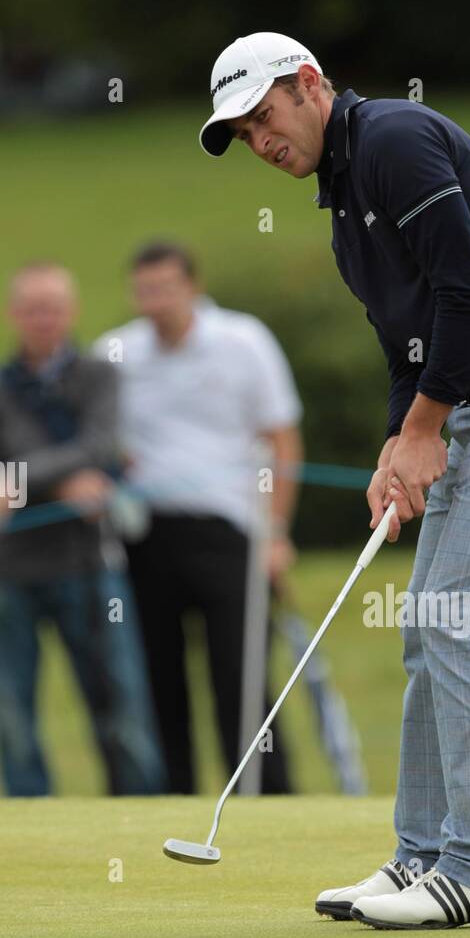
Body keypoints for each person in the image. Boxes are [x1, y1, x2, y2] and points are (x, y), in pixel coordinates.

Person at [198, 33, 470, 928]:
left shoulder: (392, 138)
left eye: (264, 118)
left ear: (310, 85)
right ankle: (424, 856)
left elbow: (468, 289)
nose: (261, 143)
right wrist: (400, 442)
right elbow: (410, 343)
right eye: (242, 136)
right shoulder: (346, 205)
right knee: (429, 628)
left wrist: (430, 428)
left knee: (462, 625)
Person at [95, 242, 303, 795]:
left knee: (241, 675)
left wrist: (276, 533)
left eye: (165, 288)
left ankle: (267, 796)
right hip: (143, 535)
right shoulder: (116, 352)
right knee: (158, 677)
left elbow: (282, 439)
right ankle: (170, 796)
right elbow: (93, 436)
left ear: (192, 286)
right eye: (144, 291)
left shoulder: (243, 340)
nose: (155, 301)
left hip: (229, 530)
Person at [0, 263, 165, 796]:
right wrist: (64, 482)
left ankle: (139, 812)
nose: (45, 319)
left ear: (71, 312)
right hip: (7, 570)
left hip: (86, 563)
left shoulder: (98, 374)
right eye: (33, 308)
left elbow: (97, 447)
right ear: (14, 314)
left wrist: (22, 480)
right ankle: (28, 818)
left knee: (120, 707)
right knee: (13, 712)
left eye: (54, 308)